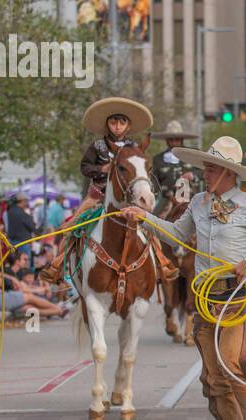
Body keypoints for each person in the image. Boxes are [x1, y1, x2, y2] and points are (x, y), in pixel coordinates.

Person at [125, 136, 246, 420]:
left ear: (229, 173)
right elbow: (176, 233)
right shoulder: (199, 203)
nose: (206, 172)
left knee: (231, 364)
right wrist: (144, 218)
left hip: (235, 296)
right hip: (205, 297)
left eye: (212, 167)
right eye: (206, 166)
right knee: (212, 381)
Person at [42, 97, 159, 284]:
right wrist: (101, 169)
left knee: (150, 228)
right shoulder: (97, 146)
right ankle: (57, 265)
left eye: (122, 122)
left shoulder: (134, 149)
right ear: (107, 124)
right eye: (113, 122)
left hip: (127, 200)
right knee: (73, 227)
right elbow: (84, 167)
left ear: (128, 126)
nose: (118, 126)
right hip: (97, 197)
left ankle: (163, 262)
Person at [151, 120, 202, 216]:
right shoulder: (158, 159)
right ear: (166, 140)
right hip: (168, 199)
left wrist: (192, 175)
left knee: (208, 219)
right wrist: (163, 193)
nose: (174, 142)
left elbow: (205, 171)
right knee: (152, 220)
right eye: (171, 139)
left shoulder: (193, 154)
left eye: (177, 139)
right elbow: (155, 182)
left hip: (192, 197)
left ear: (182, 139)